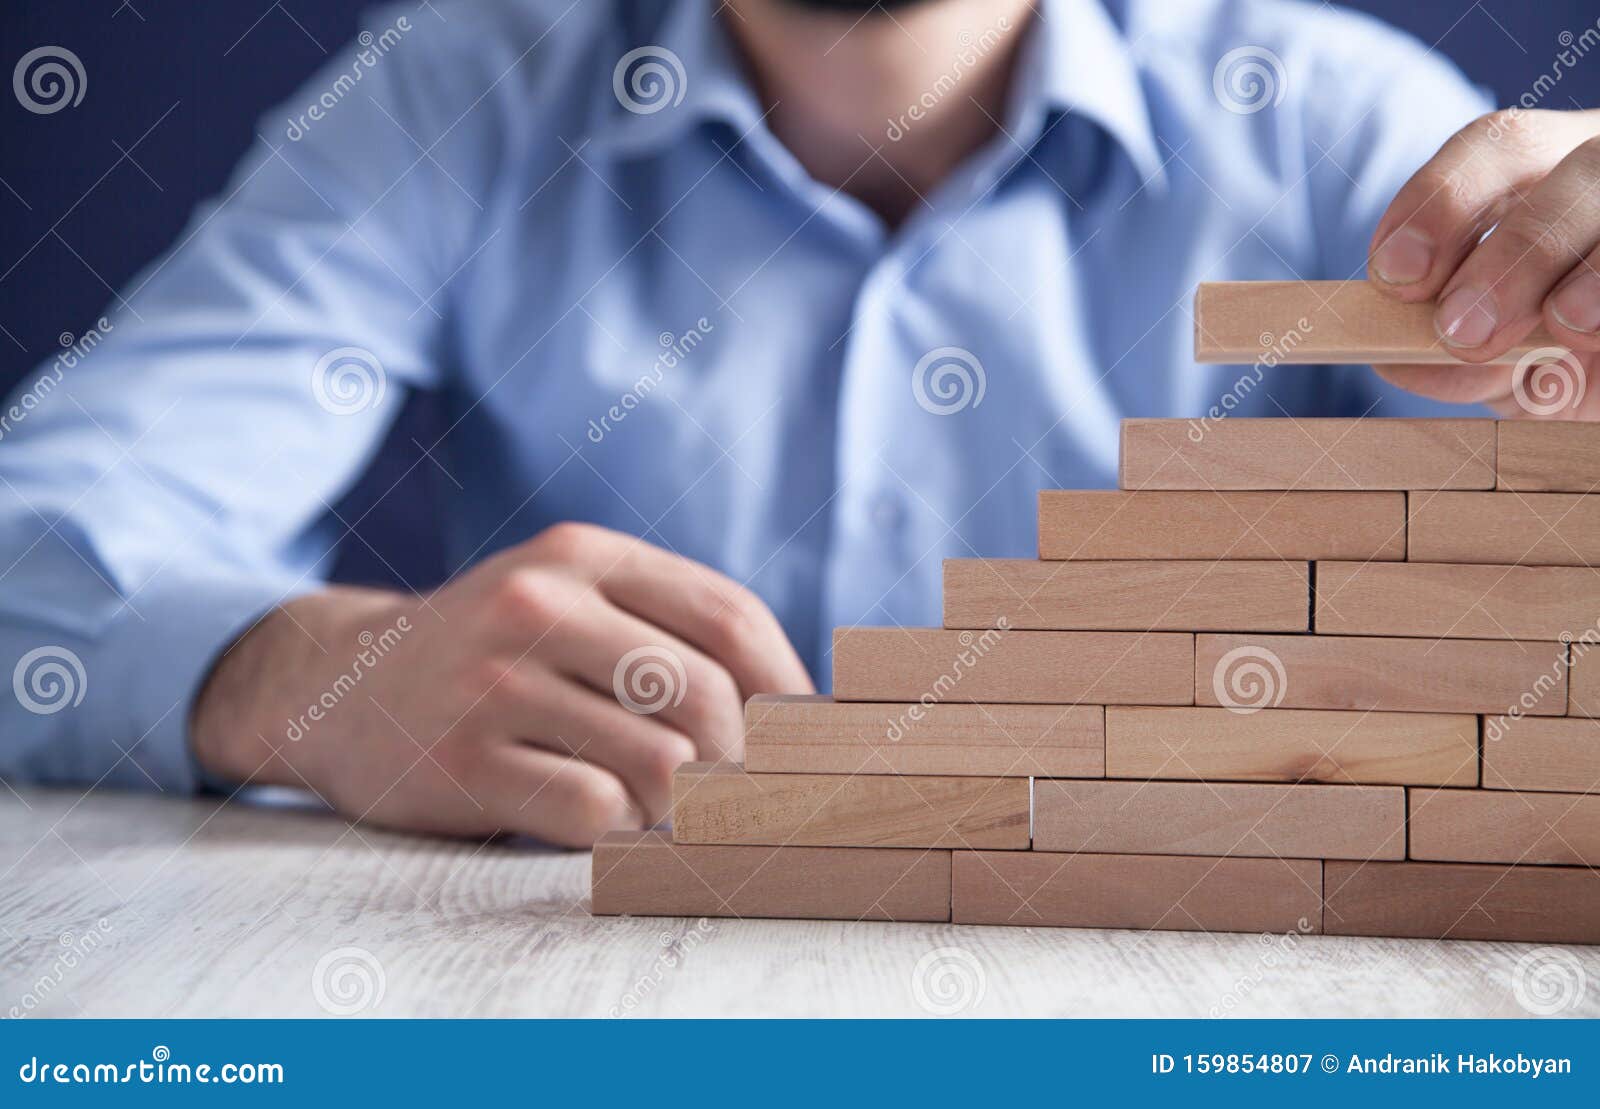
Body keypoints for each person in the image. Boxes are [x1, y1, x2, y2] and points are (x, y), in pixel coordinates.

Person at [2, 0, 1596, 845]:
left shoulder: (1328, 118)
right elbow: (31, 559)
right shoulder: (457, 87)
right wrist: (309, 680)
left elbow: (1542, 630)